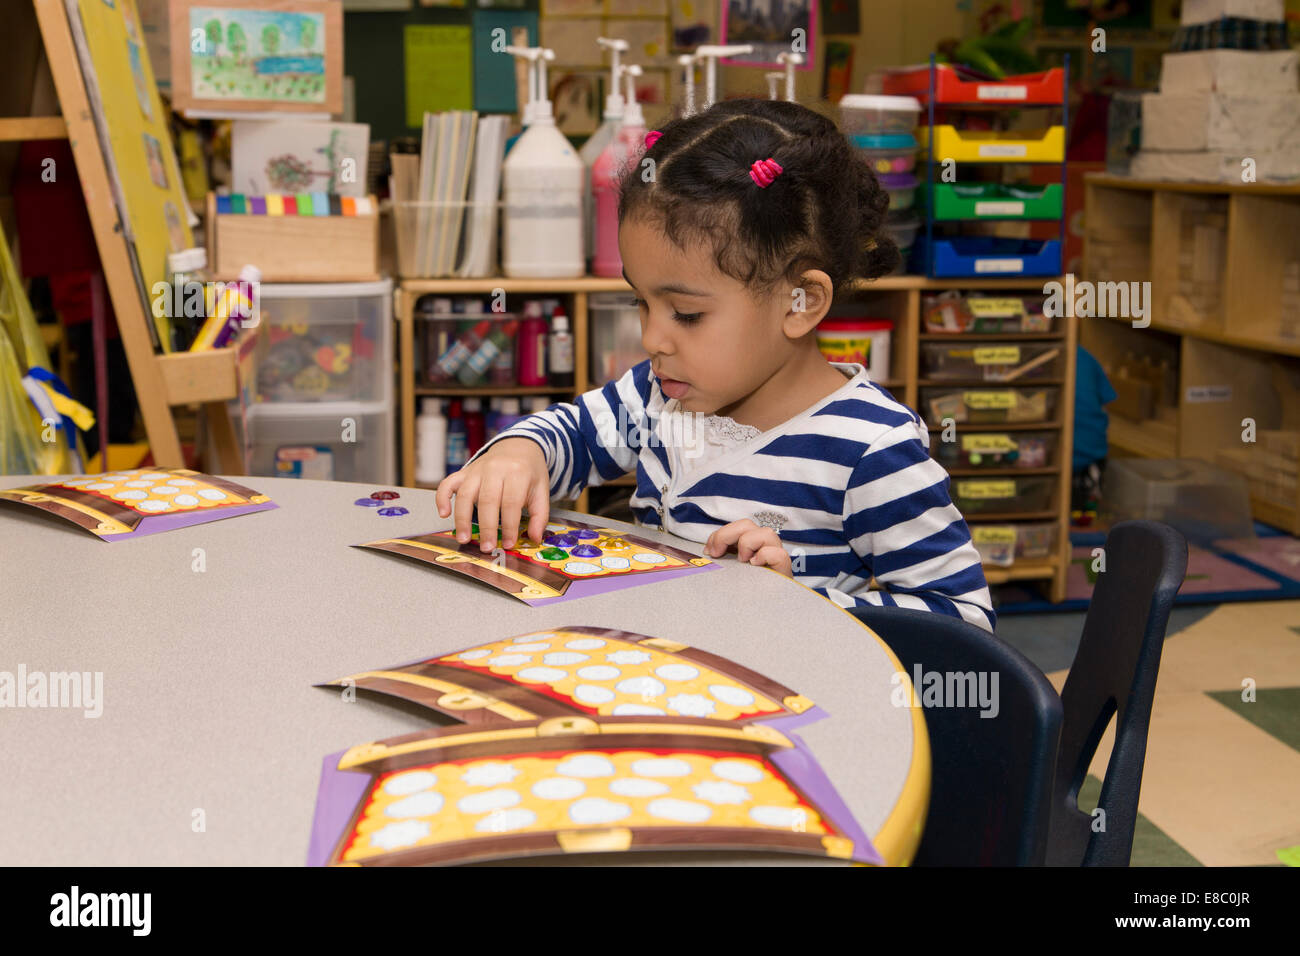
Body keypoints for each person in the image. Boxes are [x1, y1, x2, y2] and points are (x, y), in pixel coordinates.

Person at [436, 99, 995, 632]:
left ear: (801, 302)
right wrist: (519, 453)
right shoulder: (658, 395)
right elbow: (575, 435)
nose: (653, 337)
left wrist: (801, 603)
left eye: (686, 313)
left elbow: (964, 621)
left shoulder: (871, 448)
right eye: (641, 302)